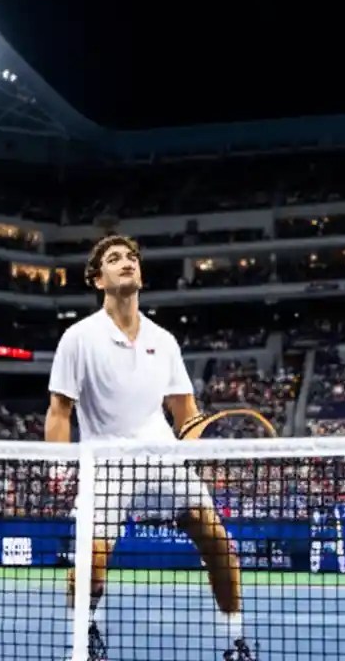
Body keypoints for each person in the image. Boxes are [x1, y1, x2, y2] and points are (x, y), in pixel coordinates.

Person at [46, 235, 255, 661]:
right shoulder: (78, 338)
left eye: (132, 258)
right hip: (105, 463)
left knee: (219, 544)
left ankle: (235, 642)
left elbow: (186, 413)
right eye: (114, 258)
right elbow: (59, 410)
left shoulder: (165, 340)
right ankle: (87, 636)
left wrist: (192, 451)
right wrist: (58, 466)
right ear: (97, 278)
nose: (127, 263)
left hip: (163, 459)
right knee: (90, 561)